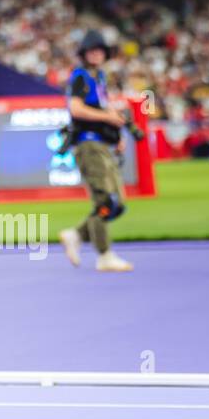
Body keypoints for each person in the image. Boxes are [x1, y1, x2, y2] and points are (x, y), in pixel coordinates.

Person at [59, 30, 134, 273]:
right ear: (84, 54)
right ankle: (104, 255)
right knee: (106, 200)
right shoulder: (80, 77)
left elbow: (103, 108)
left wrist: (116, 135)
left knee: (117, 203)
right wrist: (108, 118)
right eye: (92, 50)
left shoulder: (98, 77)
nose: (96, 54)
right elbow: (76, 109)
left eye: (99, 50)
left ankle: (77, 235)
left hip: (101, 143)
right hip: (88, 144)